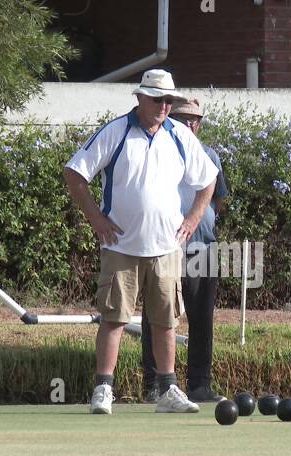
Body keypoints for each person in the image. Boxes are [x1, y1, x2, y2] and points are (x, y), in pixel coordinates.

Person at [64, 69, 218, 415]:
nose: (164, 106)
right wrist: (95, 218)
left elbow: (207, 180)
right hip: (120, 246)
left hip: (166, 247)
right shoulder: (115, 132)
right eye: (158, 99)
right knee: (115, 318)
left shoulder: (179, 135)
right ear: (140, 98)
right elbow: (75, 174)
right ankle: (103, 388)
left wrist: (193, 219)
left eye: (168, 101)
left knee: (166, 321)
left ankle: (168, 389)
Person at [140, 99, 230, 403]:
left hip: (203, 247)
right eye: (183, 119)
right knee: (158, 315)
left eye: (194, 120)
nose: (189, 125)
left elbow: (218, 198)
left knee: (202, 318)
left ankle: (199, 385)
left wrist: (200, 222)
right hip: (165, 247)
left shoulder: (210, 156)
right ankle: (155, 384)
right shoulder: (158, 151)